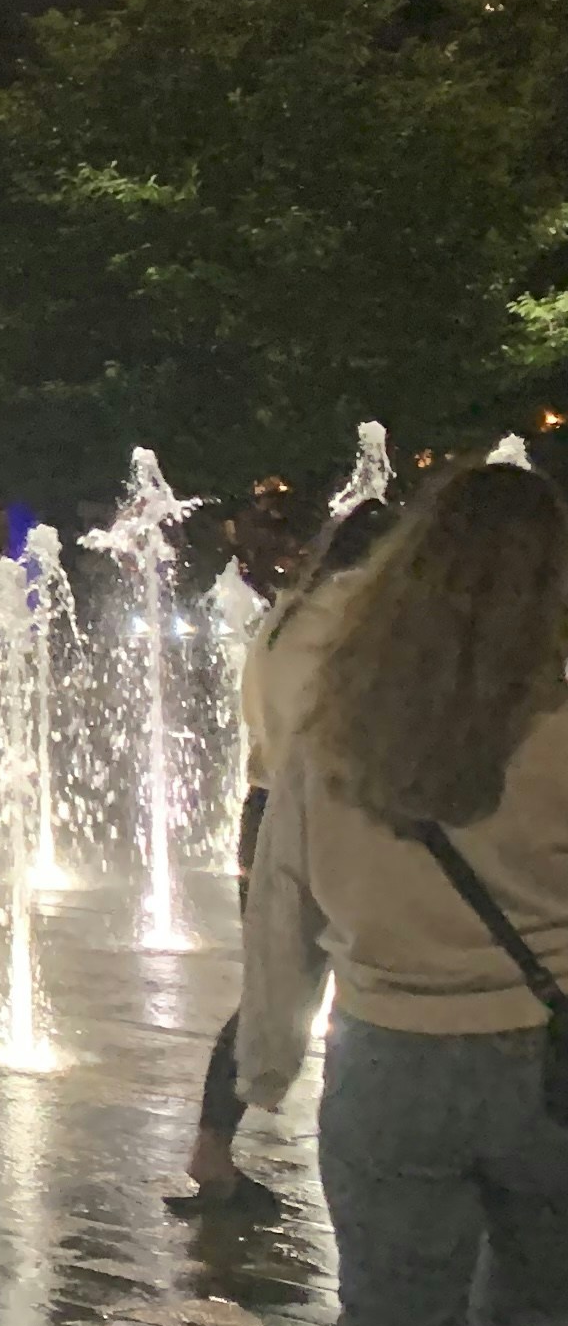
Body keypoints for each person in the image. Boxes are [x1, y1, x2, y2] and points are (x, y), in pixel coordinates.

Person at [240, 460, 568, 1326]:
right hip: (546, 1068)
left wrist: (268, 1058)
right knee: (537, 1324)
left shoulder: (339, 735)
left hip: (383, 1058)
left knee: (388, 1322)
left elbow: (282, 904)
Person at [173, 491, 393, 1213]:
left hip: (266, 808)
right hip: (337, 813)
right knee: (375, 987)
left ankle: (212, 1151)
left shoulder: (288, 616)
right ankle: (379, 1169)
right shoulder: (367, 616)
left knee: (275, 985)